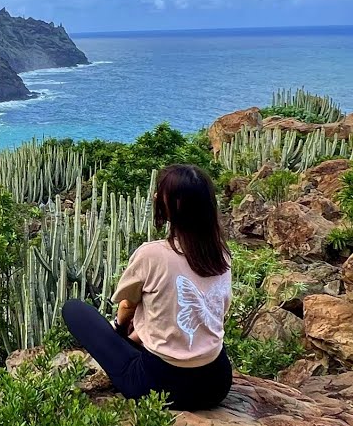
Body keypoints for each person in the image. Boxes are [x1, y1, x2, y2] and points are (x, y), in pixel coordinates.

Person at [61, 163, 233, 410]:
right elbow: (214, 311)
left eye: (159, 194)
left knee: (74, 310)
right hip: (215, 383)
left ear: (169, 207)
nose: (154, 197)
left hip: (160, 385)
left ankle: (133, 345)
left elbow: (127, 307)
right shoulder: (221, 254)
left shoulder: (152, 254)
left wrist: (121, 329)